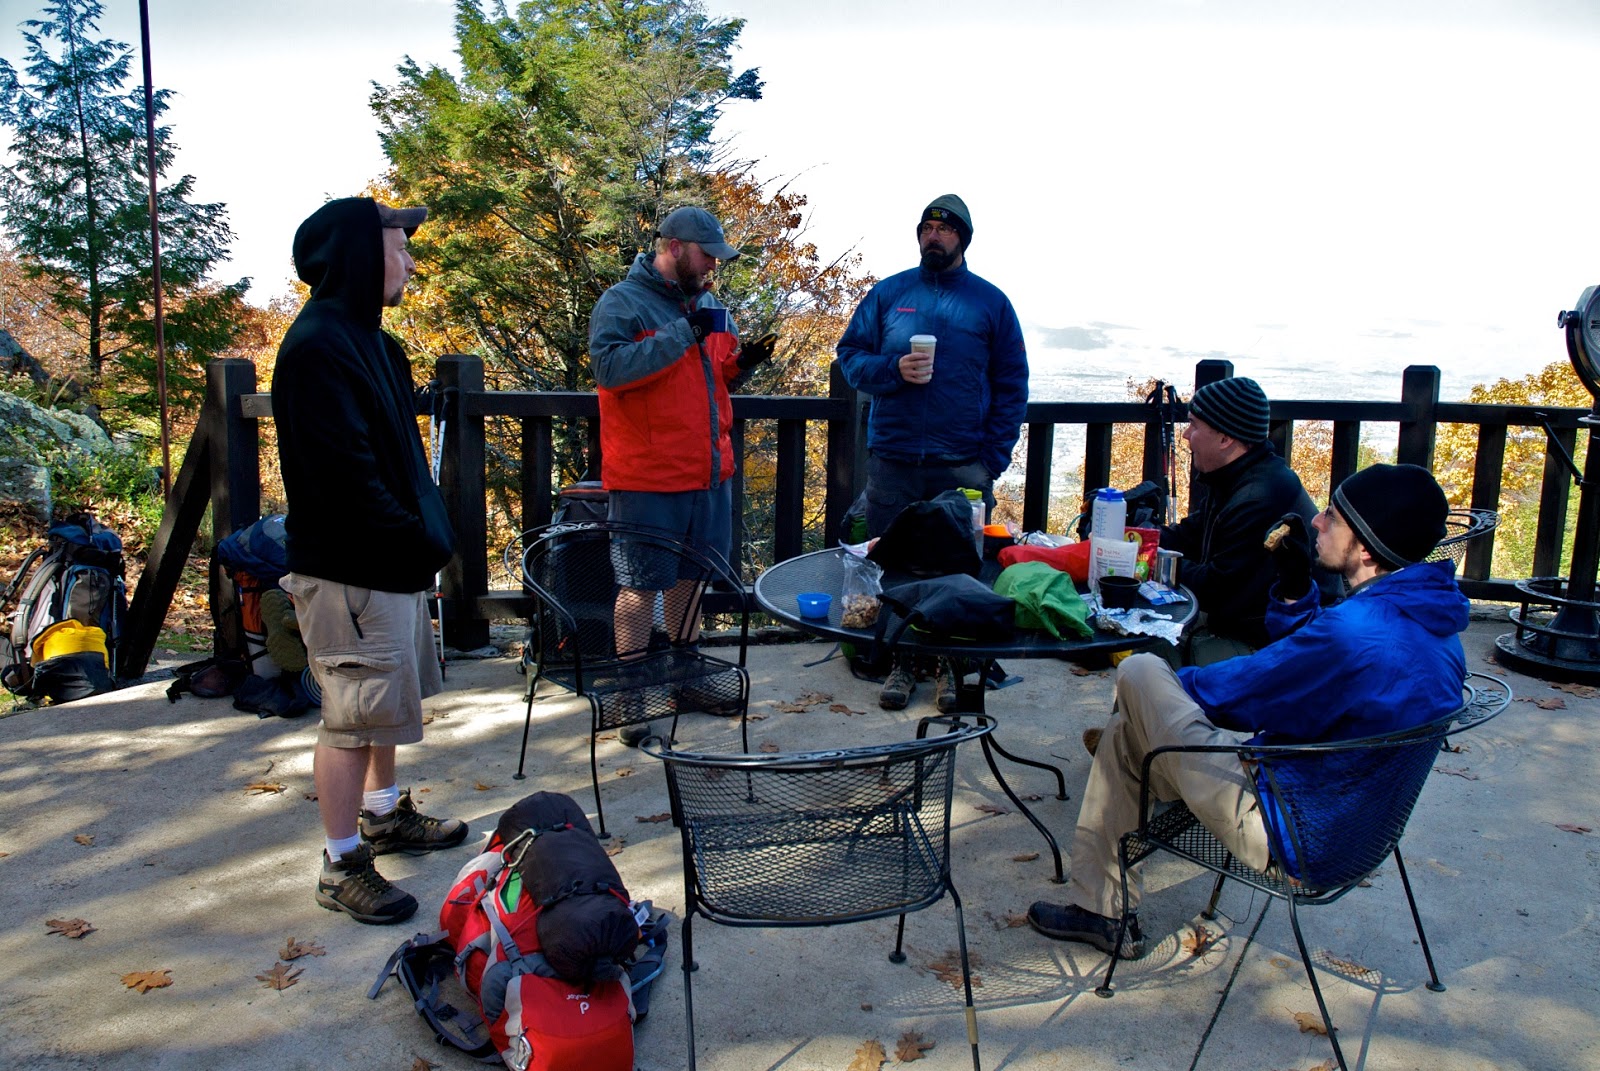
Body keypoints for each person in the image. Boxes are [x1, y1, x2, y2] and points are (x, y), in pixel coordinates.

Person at [1027, 463, 1466, 957]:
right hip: (1359, 830)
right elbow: (1317, 670)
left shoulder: (1362, 634)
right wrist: (1298, 589)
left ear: (1365, 547)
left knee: (1141, 672)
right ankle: (1099, 912)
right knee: (1130, 738)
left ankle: (1103, 904)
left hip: (1293, 829)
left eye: (1333, 516)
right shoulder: (1432, 623)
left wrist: (1166, 693)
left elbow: (1241, 694)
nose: (1316, 521)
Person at [273, 197, 468, 925]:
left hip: (390, 563)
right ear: (360, 251)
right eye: (399, 245)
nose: (412, 261)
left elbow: (398, 460)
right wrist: (415, 539)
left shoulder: (376, 344)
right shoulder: (318, 346)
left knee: (383, 702)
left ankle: (384, 813)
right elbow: (346, 478)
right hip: (350, 568)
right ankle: (340, 859)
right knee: (351, 716)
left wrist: (421, 541)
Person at [589, 206, 774, 746]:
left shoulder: (709, 304)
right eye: (706, 255)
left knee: (691, 579)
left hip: (708, 471)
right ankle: (629, 693)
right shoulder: (622, 302)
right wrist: (683, 332)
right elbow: (611, 370)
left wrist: (744, 362)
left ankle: (684, 677)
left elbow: (716, 374)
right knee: (639, 585)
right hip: (648, 476)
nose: (714, 267)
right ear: (672, 248)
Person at [836, 194, 1028, 711]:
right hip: (894, 458)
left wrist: (993, 458)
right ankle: (901, 662)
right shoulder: (889, 294)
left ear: (962, 238)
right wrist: (891, 371)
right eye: (925, 229)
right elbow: (850, 357)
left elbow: (1013, 384)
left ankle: (949, 666)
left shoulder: (991, 303)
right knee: (892, 563)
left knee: (958, 570)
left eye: (944, 230)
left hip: (962, 462)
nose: (933, 237)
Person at [1159, 376, 1335, 665]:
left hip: (1278, 643)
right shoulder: (1235, 477)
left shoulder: (1259, 495)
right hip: (1252, 622)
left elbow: (1219, 590)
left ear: (1226, 438)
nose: (1186, 435)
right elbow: (1192, 533)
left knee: (1155, 654)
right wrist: (1140, 538)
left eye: (1193, 425)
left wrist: (1155, 560)